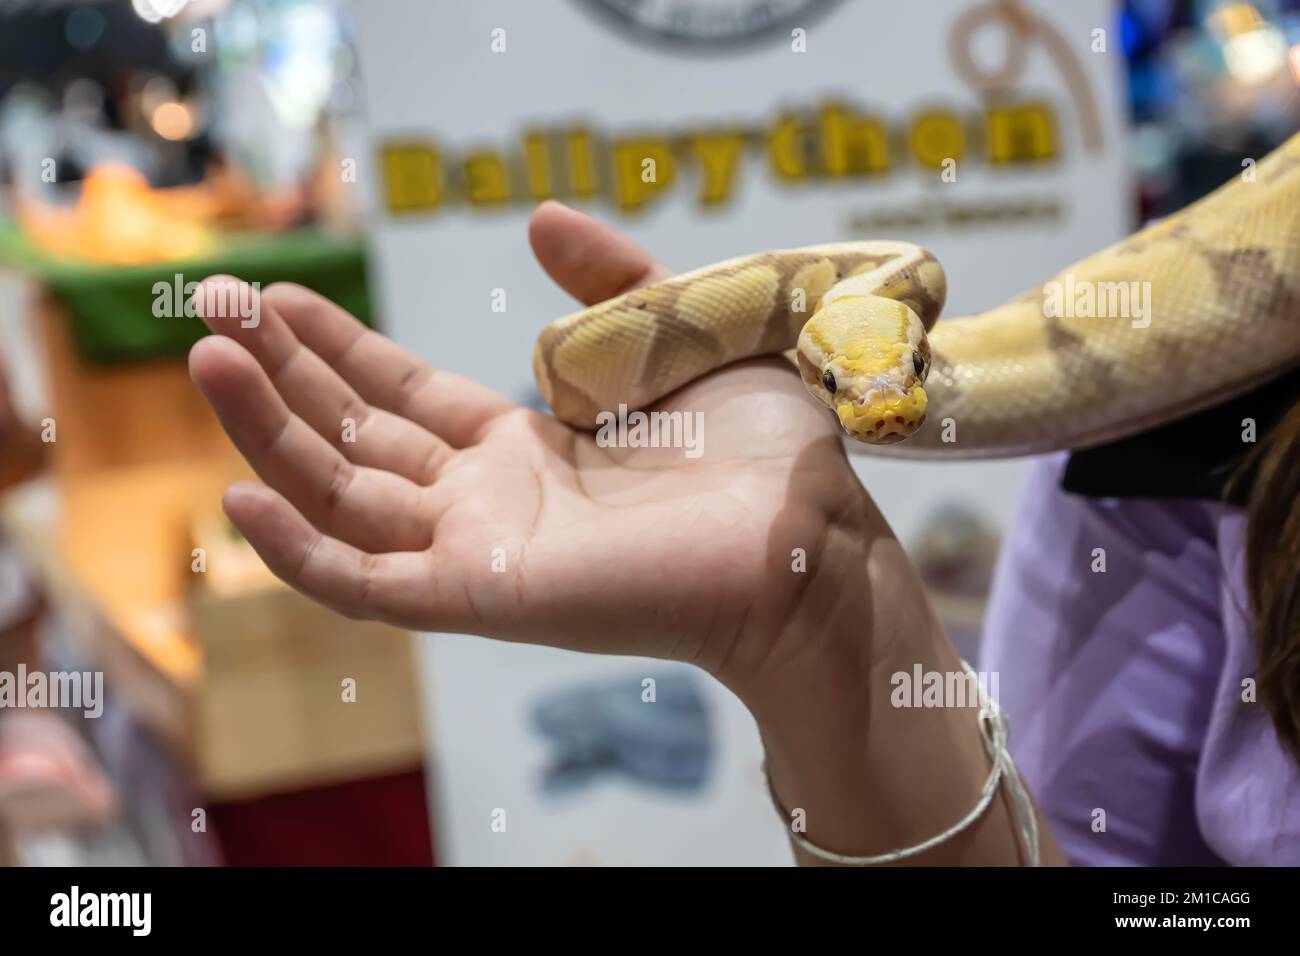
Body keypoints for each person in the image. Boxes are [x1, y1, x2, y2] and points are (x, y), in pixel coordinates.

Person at [187, 200, 1299, 865]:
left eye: (901, 375)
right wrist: (822, 627)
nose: (881, 406)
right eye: (844, 381)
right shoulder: (1179, 451)